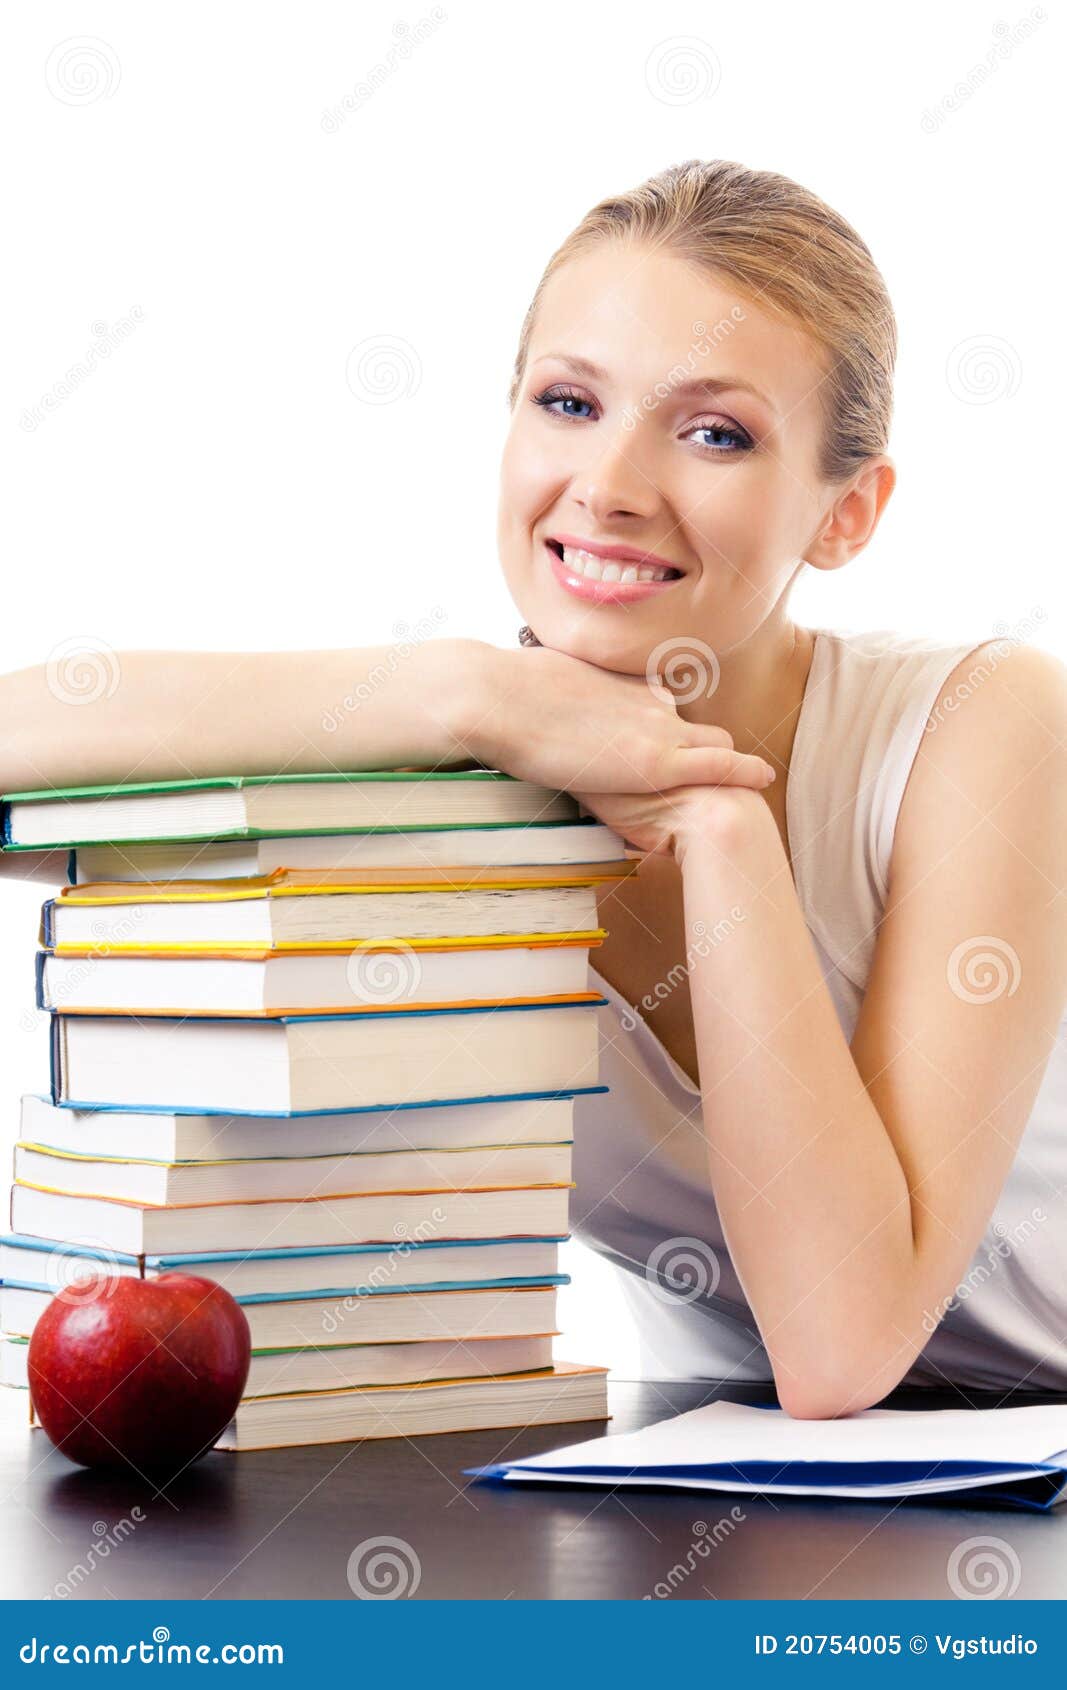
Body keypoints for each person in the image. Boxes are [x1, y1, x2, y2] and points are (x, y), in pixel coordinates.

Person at [3, 159, 1064, 1417]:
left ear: (847, 512)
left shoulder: (981, 725)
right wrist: (465, 692)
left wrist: (717, 822)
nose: (609, 485)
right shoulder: (448, 777)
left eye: (713, 432)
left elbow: (842, 1346)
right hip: (753, 1479)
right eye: (567, 403)